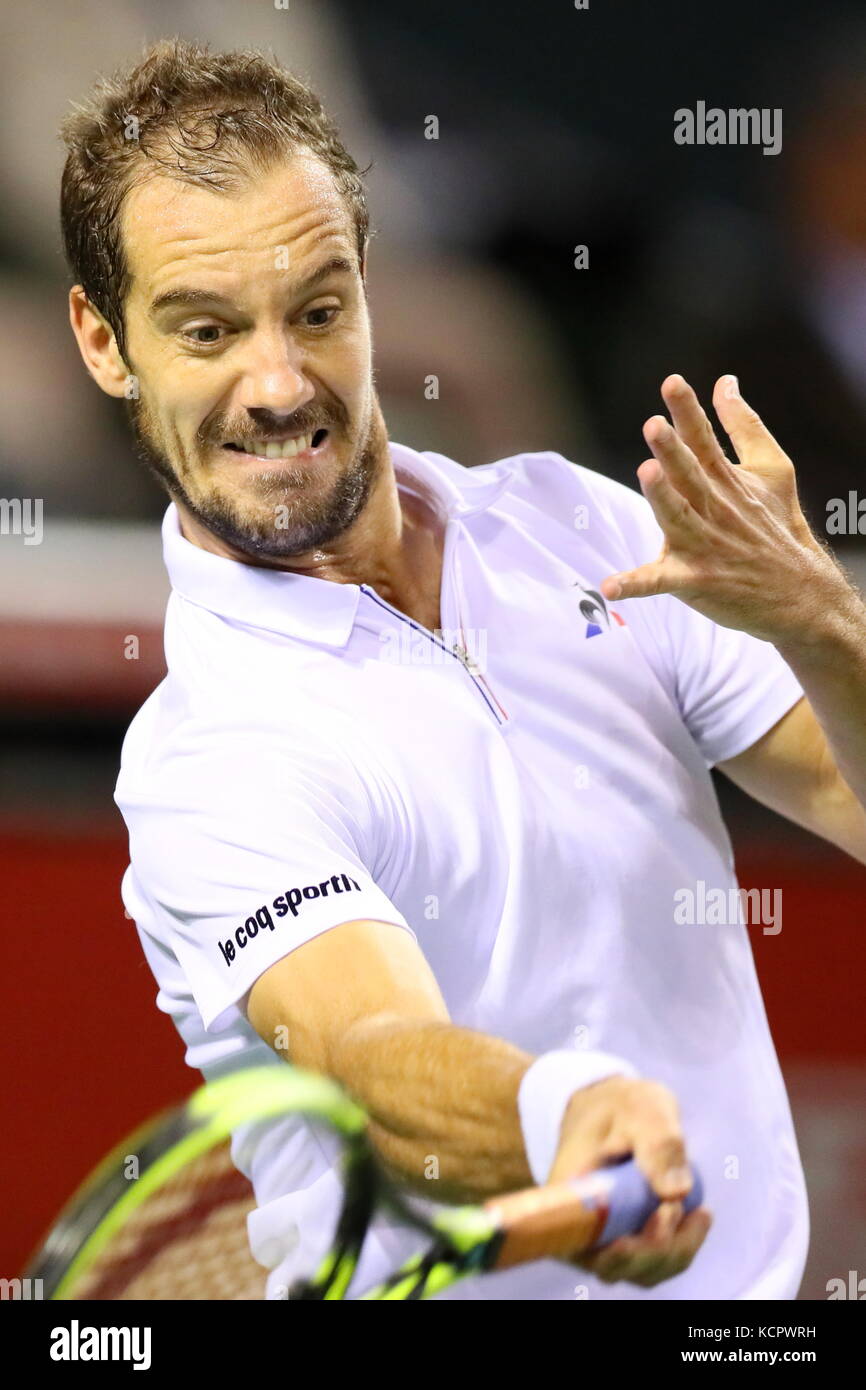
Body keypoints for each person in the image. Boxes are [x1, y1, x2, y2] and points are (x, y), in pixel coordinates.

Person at [62, 37, 866, 1300]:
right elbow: (371, 1051)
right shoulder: (205, 758)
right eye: (206, 330)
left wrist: (821, 619)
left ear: (370, 288)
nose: (276, 383)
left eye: (316, 310)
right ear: (105, 343)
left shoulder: (582, 522)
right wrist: (558, 1111)